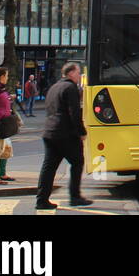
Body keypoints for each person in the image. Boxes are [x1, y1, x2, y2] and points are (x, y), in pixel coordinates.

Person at [35, 61, 91, 208]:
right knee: (77, 162)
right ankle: (75, 197)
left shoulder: (54, 87)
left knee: (48, 167)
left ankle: (41, 200)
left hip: (49, 132)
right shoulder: (70, 88)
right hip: (65, 133)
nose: (79, 76)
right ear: (71, 73)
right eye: (78, 73)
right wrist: (81, 132)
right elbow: (74, 112)